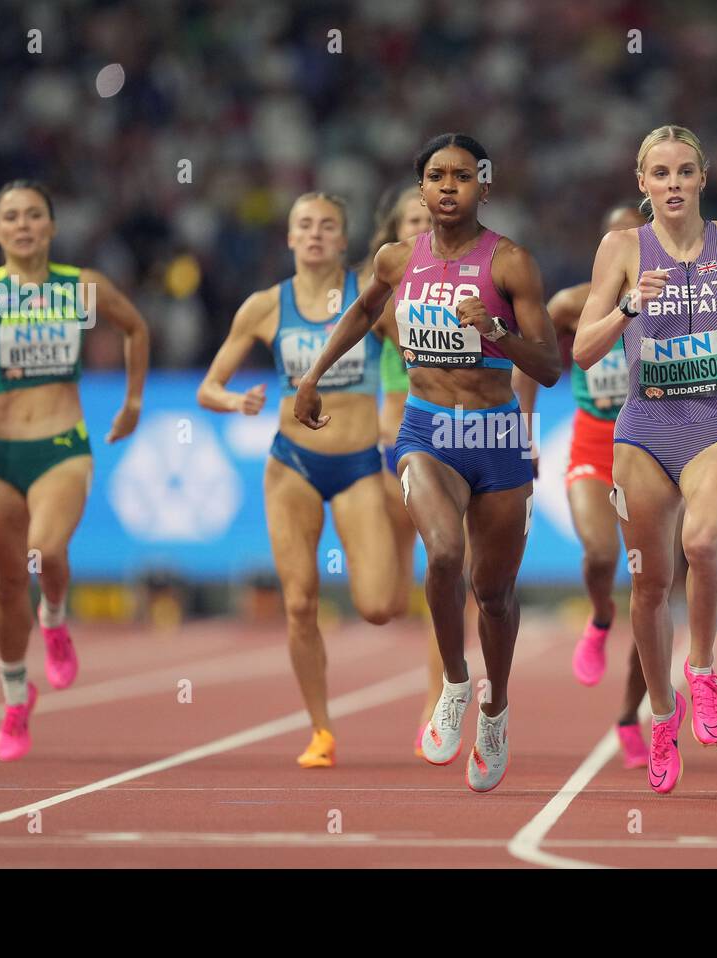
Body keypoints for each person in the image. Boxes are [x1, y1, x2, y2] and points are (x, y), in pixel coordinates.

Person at [295, 133, 560, 792]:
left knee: (494, 596)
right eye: (436, 176)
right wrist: (315, 376)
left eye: (462, 176)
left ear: (484, 187)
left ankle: (495, 711)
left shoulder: (512, 264)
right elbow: (361, 313)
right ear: (421, 189)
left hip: (498, 439)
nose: (448, 186)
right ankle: (455, 682)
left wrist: (495, 332)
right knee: (443, 553)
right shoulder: (394, 259)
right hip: (425, 432)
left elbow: (551, 368)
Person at [572, 126, 717, 794]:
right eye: (659, 173)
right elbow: (583, 352)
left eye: (684, 172)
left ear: (703, 177)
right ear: (641, 182)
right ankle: (662, 713)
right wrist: (627, 305)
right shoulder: (621, 248)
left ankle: (701, 669)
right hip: (644, 430)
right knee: (649, 586)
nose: (672, 184)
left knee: (701, 540)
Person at [0, 180, 149, 761]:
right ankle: (16, 698)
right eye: (11, 217)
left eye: (33, 215)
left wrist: (133, 401)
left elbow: (136, 327)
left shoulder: (81, 288)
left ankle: (54, 617)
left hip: (62, 446)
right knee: (6, 584)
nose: (22, 225)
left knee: (43, 550)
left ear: (50, 226)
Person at [198, 192, 400, 769]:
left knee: (380, 605)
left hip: (361, 462)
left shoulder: (370, 296)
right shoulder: (265, 306)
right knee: (299, 602)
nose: (314, 234)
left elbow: (417, 355)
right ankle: (321, 731)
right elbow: (207, 386)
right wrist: (236, 399)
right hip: (292, 464)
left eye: (327, 226)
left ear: (342, 239)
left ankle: (383, 574)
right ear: (288, 238)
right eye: (303, 226)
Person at [513, 202, 652, 769]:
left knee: (653, 588)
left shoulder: (673, 295)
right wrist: (523, 430)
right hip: (594, 447)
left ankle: (629, 716)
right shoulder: (571, 305)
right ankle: (598, 619)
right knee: (599, 554)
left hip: (654, 445)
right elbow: (529, 362)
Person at [361, 186, 447, 756]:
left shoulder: (471, 279)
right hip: (386, 444)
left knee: (444, 573)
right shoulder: (383, 289)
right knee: (381, 605)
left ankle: (437, 701)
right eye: (410, 221)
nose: (422, 228)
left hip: (440, 442)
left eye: (428, 220)